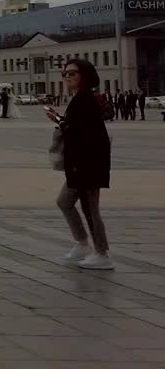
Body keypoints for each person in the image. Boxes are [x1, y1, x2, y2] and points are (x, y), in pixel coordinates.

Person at [46, 58, 114, 270]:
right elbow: (75, 127)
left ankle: (102, 254)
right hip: (80, 163)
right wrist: (58, 118)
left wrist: (59, 121)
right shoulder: (79, 99)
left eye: (72, 73)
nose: (67, 77)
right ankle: (83, 243)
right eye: (64, 74)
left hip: (89, 163)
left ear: (84, 76)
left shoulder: (85, 99)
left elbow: (80, 132)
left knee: (90, 208)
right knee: (64, 201)